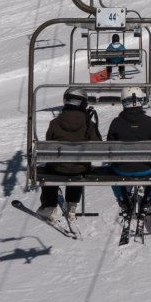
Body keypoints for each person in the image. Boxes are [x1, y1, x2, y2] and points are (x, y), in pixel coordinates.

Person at [38, 87, 101, 222]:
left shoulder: (55, 123)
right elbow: (98, 145)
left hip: (58, 168)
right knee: (78, 166)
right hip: (80, 168)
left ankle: (49, 206)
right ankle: (71, 204)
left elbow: (49, 143)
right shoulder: (88, 123)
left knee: (51, 168)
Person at [107, 87, 151, 219]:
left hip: (122, 170)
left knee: (111, 170)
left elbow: (109, 148)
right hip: (147, 169)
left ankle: (122, 199)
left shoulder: (116, 123)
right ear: (141, 101)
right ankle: (147, 199)